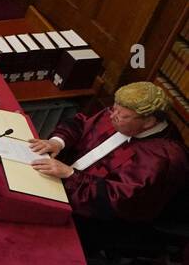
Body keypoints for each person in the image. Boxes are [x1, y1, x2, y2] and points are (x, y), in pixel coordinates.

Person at [29, 81, 189, 254]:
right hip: (68, 181)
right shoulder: (121, 117)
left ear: (149, 121)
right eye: (114, 109)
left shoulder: (163, 158)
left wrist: (69, 174)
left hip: (100, 218)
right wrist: (57, 142)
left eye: (122, 115)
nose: (112, 116)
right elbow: (80, 124)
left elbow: (117, 199)